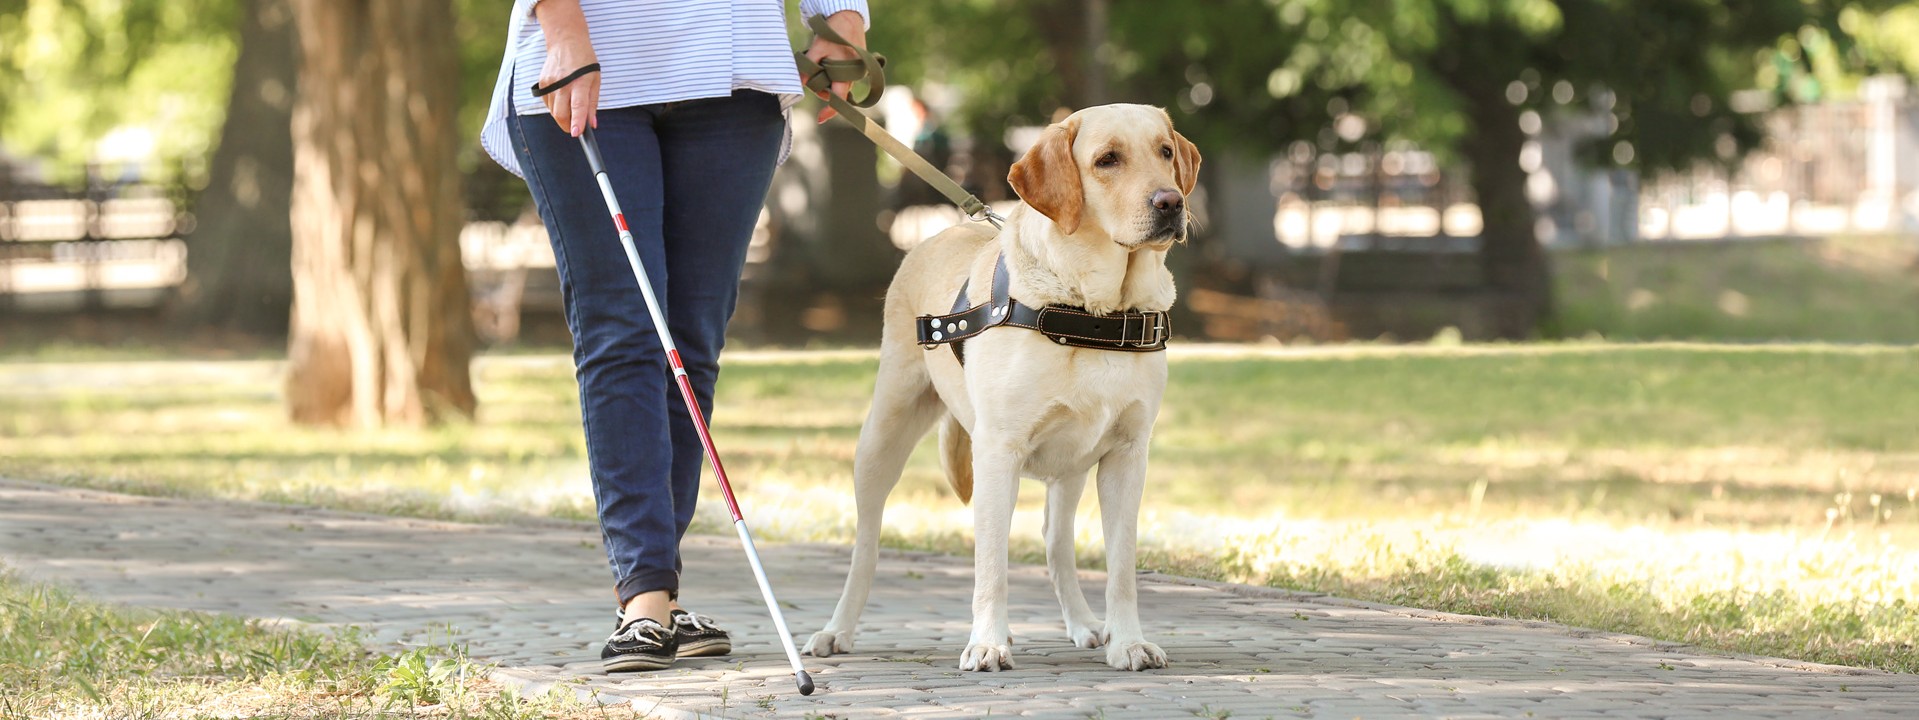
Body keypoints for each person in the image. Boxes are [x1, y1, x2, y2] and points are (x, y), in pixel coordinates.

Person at [479, 0, 872, 672]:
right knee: (626, 330)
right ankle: (644, 599)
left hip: (733, 79)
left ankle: (657, 590)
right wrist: (565, 30)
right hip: (587, 63)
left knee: (691, 341)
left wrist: (841, 23)